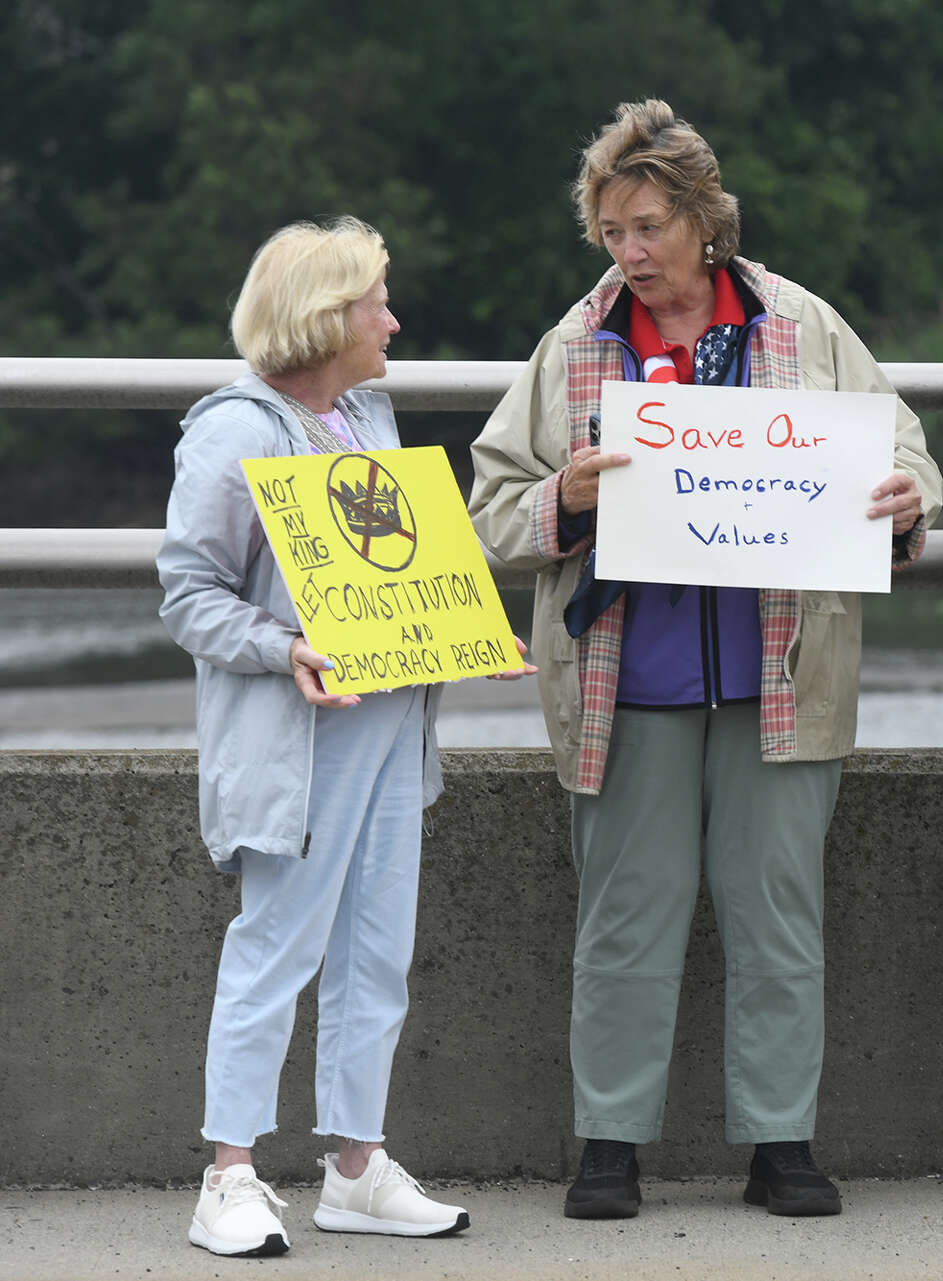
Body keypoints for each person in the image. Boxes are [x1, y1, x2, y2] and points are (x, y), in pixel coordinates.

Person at [467, 99, 942, 1221]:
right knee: (626, 916)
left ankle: (781, 1144)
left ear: (703, 222)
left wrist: (905, 498)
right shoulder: (571, 349)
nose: (630, 253)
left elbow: (906, 452)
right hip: (626, 680)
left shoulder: (805, 325)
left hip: (781, 675)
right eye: (612, 233)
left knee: (779, 912)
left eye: (647, 228)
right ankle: (609, 1145)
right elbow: (490, 511)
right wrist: (563, 501)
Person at [158, 218, 524, 1256]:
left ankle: (356, 1165)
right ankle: (226, 1174)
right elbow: (189, 594)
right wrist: (285, 649)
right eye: (377, 305)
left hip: (390, 730)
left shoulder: (365, 412)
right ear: (327, 319)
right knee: (275, 945)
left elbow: (394, 571)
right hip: (299, 738)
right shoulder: (237, 430)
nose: (393, 321)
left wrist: (466, 632)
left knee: (378, 951)